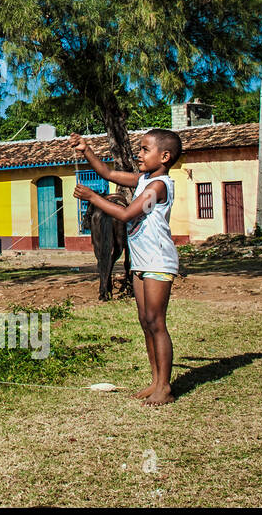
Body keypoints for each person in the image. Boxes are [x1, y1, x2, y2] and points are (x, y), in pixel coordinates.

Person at [70, 129, 182, 405]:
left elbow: (126, 213)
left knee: (157, 322)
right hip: (142, 260)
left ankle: (165, 387)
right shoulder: (144, 180)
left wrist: (93, 198)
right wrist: (86, 150)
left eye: (145, 150)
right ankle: (155, 381)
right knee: (145, 322)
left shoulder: (159, 186)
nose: (139, 154)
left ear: (164, 156)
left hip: (158, 259)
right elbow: (108, 174)